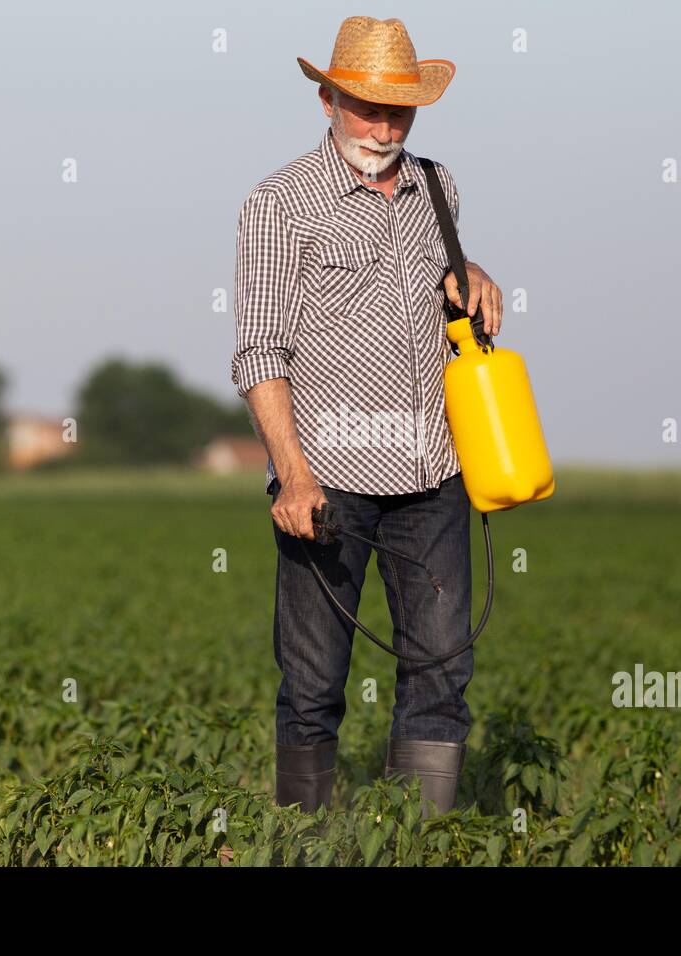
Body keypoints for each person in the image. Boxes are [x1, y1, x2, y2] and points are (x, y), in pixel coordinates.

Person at [230, 16, 503, 819]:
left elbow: (444, 276)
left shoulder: (437, 186)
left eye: (399, 111)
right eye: (365, 108)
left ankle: (421, 840)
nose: (384, 127)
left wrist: (475, 272)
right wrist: (294, 473)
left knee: (443, 672)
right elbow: (259, 353)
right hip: (330, 481)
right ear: (327, 100)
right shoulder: (281, 203)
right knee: (313, 683)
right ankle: (301, 836)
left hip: (435, 474)